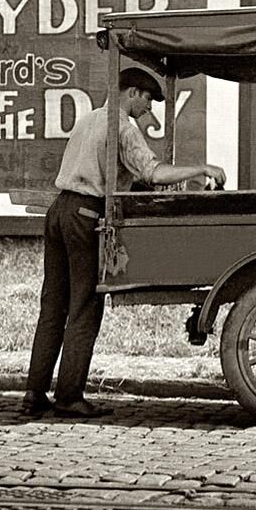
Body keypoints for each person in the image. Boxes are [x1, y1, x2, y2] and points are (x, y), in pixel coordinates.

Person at [21, 67, 226, 418]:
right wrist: (200, 170)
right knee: (85, 305)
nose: (149, 109)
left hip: (59, 211)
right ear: (132, 92)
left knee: (53, 305)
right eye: (147, 99)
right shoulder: (123, 129)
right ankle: (69, 396)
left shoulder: (88, 121)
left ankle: (34, 393)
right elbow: (153, 173)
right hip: (86, 214)